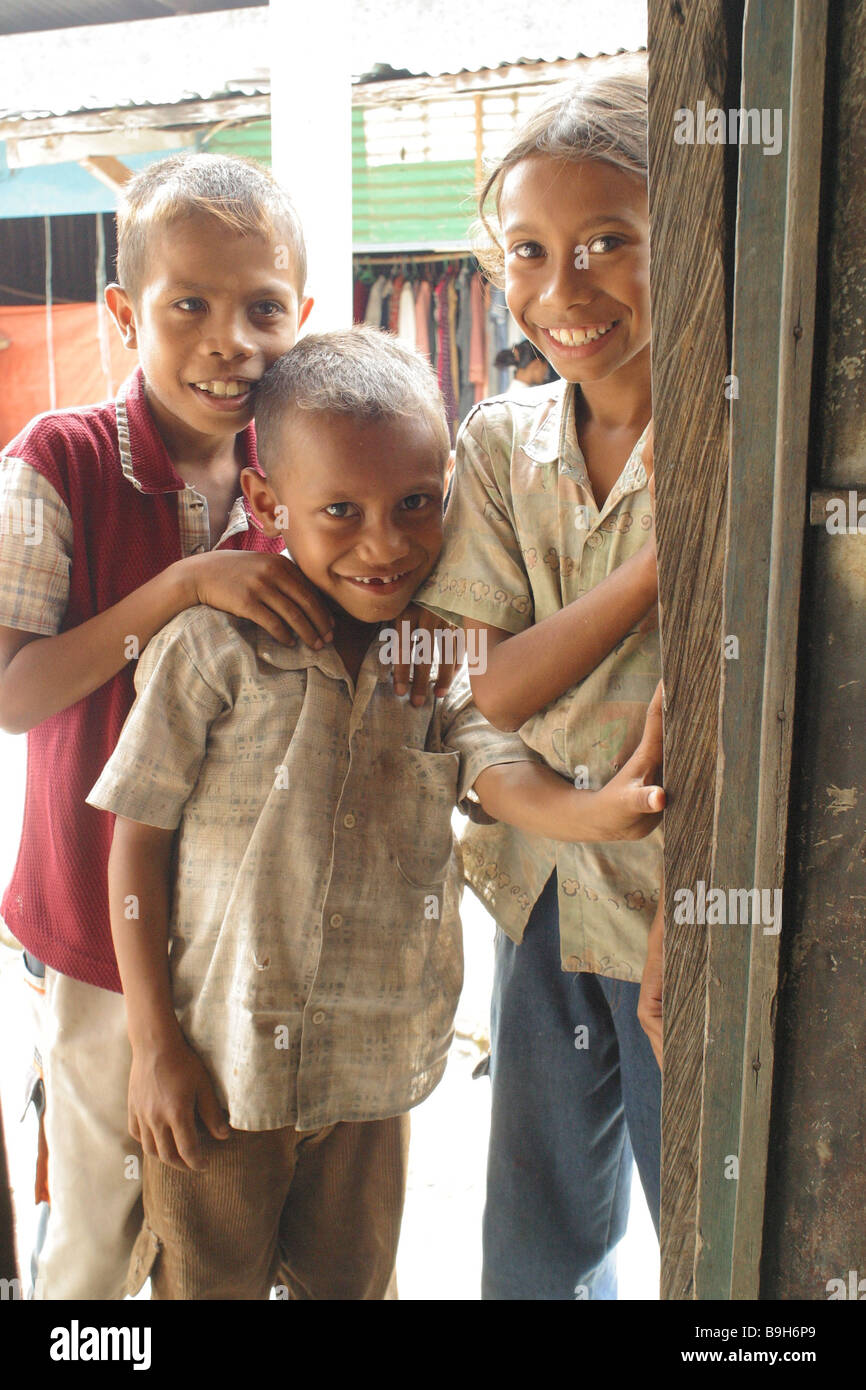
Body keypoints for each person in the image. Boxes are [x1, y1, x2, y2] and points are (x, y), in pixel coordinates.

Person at [87, 325, 666, 1301]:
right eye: (340, 512)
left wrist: (591, 815)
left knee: (353, 1284)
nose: (384, 543)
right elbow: (135, 846)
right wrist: (154, 1047)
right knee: (205, 1284)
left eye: (413, 505)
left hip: (372, 1074)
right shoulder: (211, 649)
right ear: (268, 501)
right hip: (220, 1077)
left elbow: (490, 768)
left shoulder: (428, 658)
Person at [0, 151, 342, 1299]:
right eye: (185, 304)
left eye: (261, 308)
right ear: (121, 311)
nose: (227, 340)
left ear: (303, 312)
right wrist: (183, 588)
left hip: (256, 937)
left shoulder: (301, 471)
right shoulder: (60, 463)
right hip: (103, 937)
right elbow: (12, 692)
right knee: (96, 1236)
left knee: (219, 1234)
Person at [417, 70, 664, 1300]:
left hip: (695, 905)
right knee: (539, 1246)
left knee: (726, 1223)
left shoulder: (756, 428)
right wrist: (665, 567)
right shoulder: (499, 445)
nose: (562, 291)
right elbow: (484, 692)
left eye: (608, 242)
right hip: (544, 892)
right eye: (527, 250)